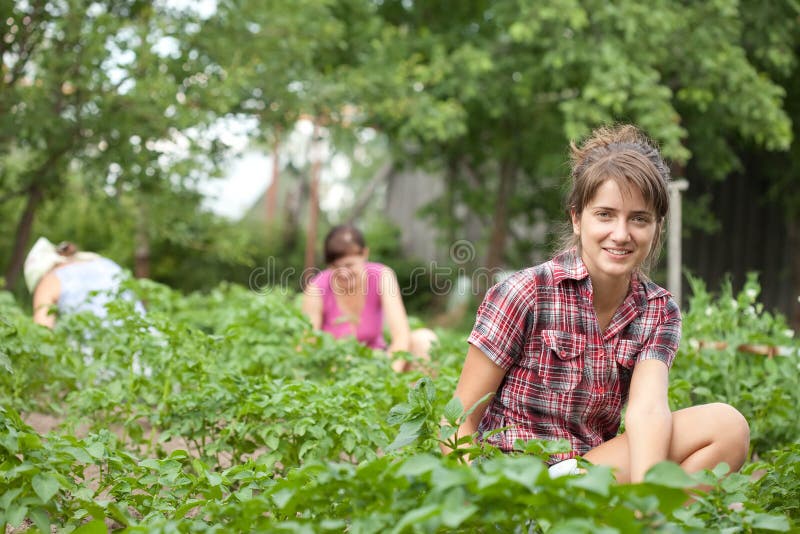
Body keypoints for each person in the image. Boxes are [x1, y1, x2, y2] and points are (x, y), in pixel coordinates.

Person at [444, 125, 750, 483]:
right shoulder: (525, 292)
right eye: (605, 215)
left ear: (656, 227)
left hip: (584, 476)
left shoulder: (658, 311)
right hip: (513, 481)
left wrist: (646, 498)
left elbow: (648, 410)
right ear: (577, 218)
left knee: (728, 428)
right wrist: (472, 501)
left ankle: (642, 519)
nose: (621, 234)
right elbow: (457, 419)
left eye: (639, 218)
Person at [301, 224, 437, 372]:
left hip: (376, 363)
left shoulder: (382, 276)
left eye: (349, 265)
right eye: (335, 267)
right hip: (335, 368)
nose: (343, 273)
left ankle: (416, 394)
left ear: (365, 254)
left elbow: (401, 336)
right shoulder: (316, 288)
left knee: (425, 340)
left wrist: (387, 379)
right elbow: (308, 344)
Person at [24, 237, 141, 328]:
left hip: (101, 351)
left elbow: (43, 333)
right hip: (148, 344)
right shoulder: (105, 263)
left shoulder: (48, 281)